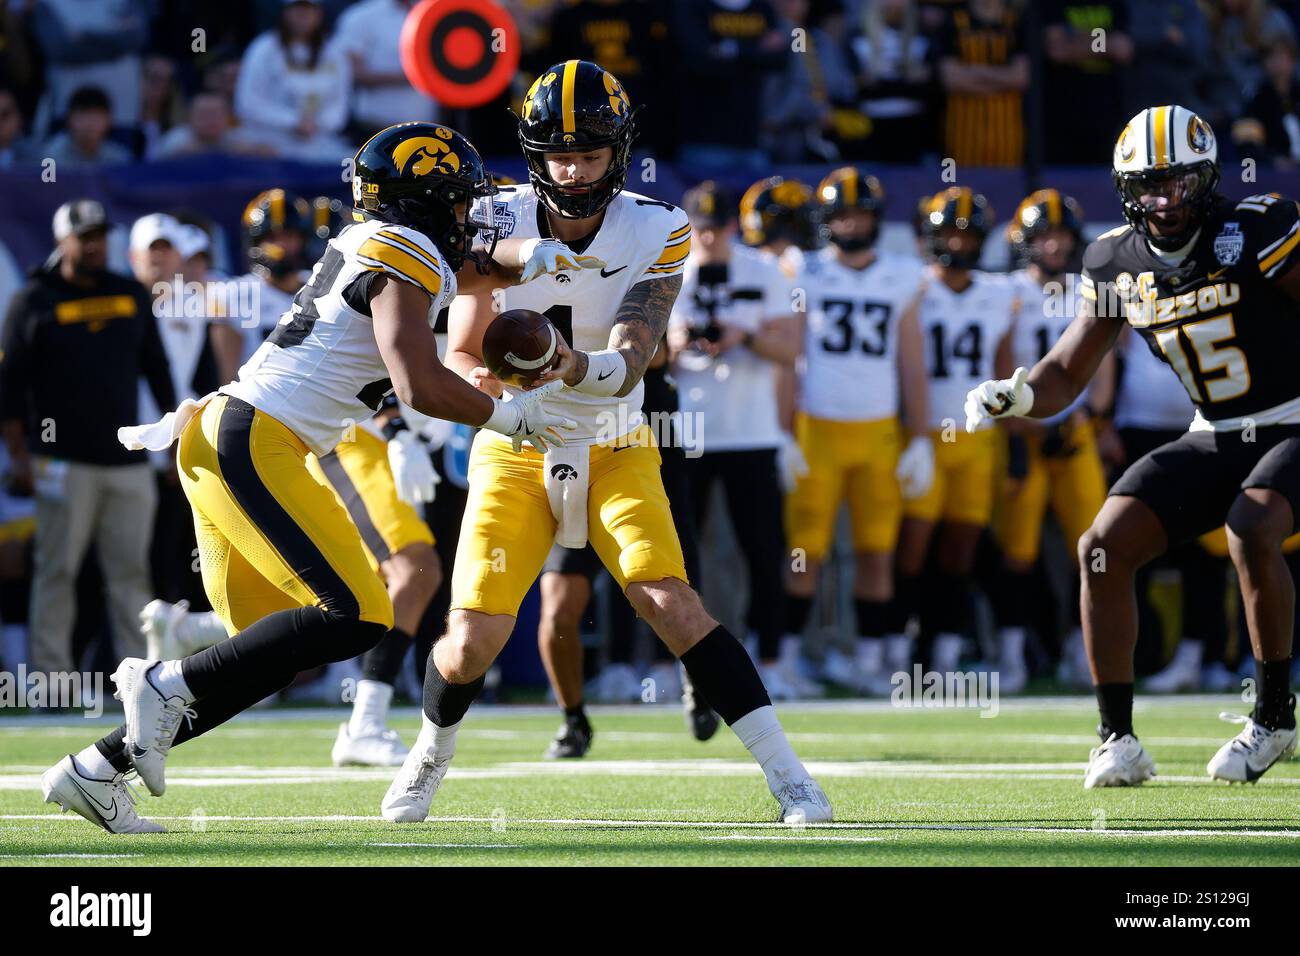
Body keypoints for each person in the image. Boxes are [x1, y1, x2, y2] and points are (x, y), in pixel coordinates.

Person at [39, 122, 580, 834]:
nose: (464, 216)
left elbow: (480, 265)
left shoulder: (387, 245)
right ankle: (160, 678)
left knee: (263, 658)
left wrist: (537, 256)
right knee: (360, 613)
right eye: (453, 202)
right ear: (421, 205)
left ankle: (94, 771)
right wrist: (514, 418)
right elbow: (417, 384)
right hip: (255, 440)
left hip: (226, 437)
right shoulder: (406, 250)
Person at [382, 60, 832, 825]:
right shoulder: (492, 220)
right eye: (558, 153)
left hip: (615, 438)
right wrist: (495, 389)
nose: (572, 169)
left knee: (671, 602)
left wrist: (563, 364)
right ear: (533, 153)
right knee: (471, 640)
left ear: (617, 153)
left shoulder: (658, 226)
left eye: (589, 154)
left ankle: (789, 775)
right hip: (516, 448)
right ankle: (428, 755)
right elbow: (459, 351)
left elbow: (633, 357)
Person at [966, 105, 1298, 787]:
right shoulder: (1115, 259)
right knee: (1100, 548)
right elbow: (1068, 369)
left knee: (1251, 528)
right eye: (1149, 184)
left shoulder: (1258, 228)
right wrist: (1020, 395)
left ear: (1206, 181)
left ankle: (1272, 717)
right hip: (1215, 430)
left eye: (1178, 183)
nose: (1164, 199)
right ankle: (1117, 737)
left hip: (1296, 417)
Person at [0, 200, 175, 682]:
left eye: (101, 235)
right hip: (61, 460)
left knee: (130, 576)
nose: (96, 245)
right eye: (86, 237)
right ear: (63, 241)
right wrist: (19, 454)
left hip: (127, 461)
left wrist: (170, 436)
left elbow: (156, 368)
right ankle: (51, 678)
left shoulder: (129, 293)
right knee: (57, 571)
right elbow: (9, 385)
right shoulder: (34, 299)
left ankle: (141, 681)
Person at [781, 168, 930, 695]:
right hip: (817, 428)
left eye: (860, 214)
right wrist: (783, 432)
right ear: (825, 222)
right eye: (841, 215)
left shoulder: (903, 276)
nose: (850, 223)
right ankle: (788, 658)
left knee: (876, 549)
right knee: (805, 550)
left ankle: (868, 660)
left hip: (879, 432)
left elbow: (912, 362)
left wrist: (922, 436)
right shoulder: (804, 269)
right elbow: (789, 354)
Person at [670, 180, 803, 696]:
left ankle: (771, 660)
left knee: (763, 550)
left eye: (715, 228)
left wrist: (742, 335)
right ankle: (681, 670)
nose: (706, 239)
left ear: (733, 226)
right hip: (688, 429)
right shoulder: (670, 269)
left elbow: (791, 350)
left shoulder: (765, 271)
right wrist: (673, 343)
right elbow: (638, 351)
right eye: (698, 229)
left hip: (751, 430)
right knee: (677, 556)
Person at [994, 190, 1114, 693]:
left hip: (1076, 435)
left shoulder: (1091, 291)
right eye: (1044, 236)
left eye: (1062, 236)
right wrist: (1018, 429)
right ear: (1024, 241)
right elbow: (998, 362)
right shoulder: (1005, 292)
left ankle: (1080, 648)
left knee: (1092, 549)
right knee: (1016, 550)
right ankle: (1012, 652)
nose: (1054, 246)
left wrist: (1091, 417)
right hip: (1023, 434)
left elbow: (1105, 362)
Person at [895, 187, 1016, 679]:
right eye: (948, 233)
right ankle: (900, 645)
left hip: (978, 436)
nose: (958, 244)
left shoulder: (999, 294)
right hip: (925, 432)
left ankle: (943, 651)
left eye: (967, 235)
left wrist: (1013, 440)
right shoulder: (913, 288)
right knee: (913, 545)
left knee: (962, 548)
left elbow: (1007, 371)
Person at [234, 0, 352, 161]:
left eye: (309, 11)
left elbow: (339, 106)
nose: (303, 17)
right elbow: (249, 102)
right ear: (284, 13)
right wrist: (294, 121)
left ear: (319, 15)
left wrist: (317, 124)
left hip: (318, 143)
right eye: (297, 11)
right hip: (269, 144)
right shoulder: (263, 49)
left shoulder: (334, 52)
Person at [41, 85, 132, 167]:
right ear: (69, 119)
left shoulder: (119, 158)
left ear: (109, 120)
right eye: (83, 116)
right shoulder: (52, 155)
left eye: (96, 117)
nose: (89, 124)